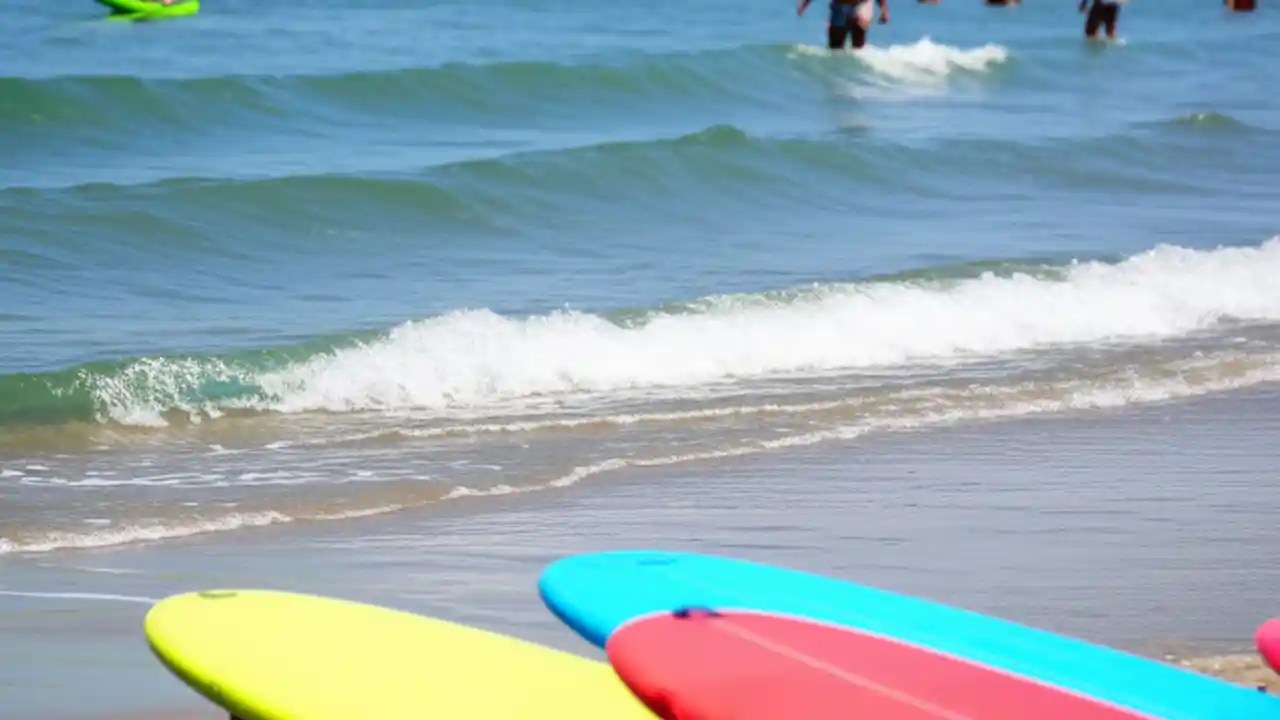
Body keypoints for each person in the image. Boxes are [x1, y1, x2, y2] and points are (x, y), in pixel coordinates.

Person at [798, 0, 889, 51]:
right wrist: (804, 5)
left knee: (858, 34)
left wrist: (884, 10)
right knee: (835, 47)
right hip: (839, 5)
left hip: (862, 4)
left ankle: (857, 75)